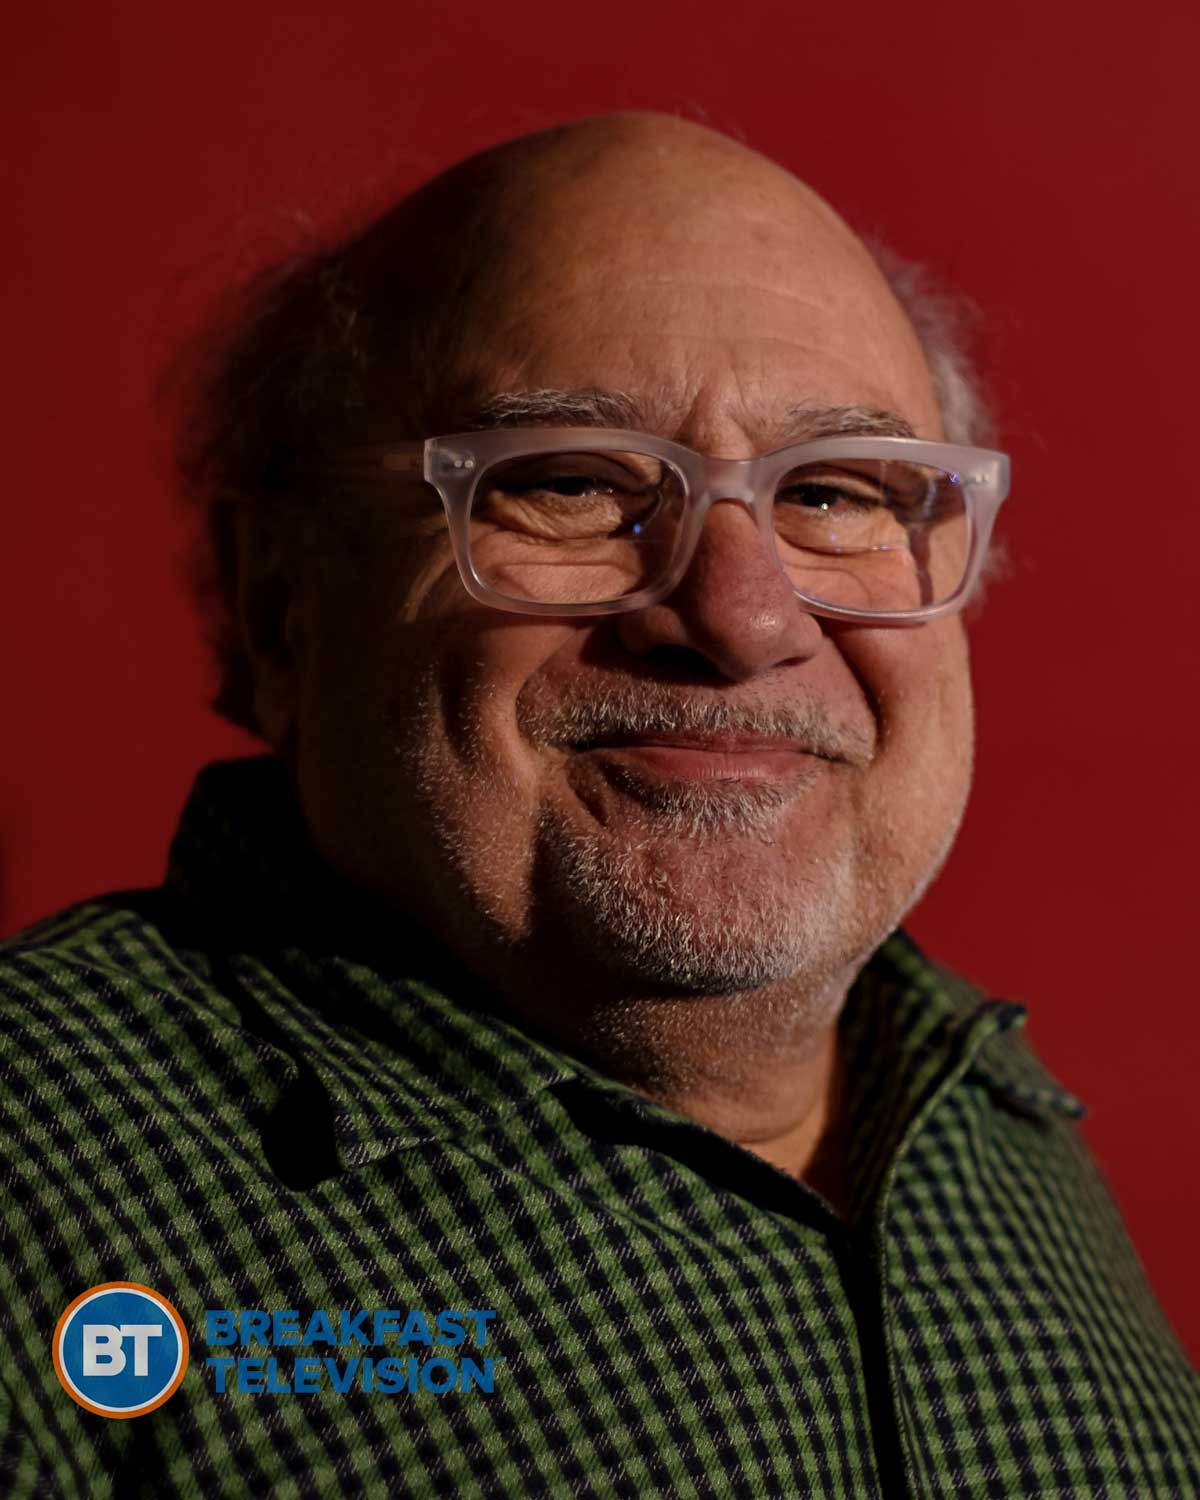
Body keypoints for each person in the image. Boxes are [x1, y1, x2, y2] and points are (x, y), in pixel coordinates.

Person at [1, 111, 1196, 1500]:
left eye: (832, 494)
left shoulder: (995, 1125)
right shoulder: (38, 1179)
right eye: (570, 482)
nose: (742, 616)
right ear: (281, 606)